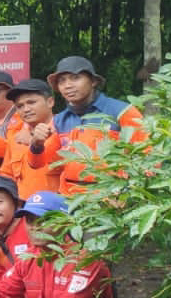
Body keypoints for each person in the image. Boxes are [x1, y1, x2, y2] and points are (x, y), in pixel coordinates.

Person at [45, 55, 145, 194]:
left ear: (93, 81)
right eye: (62, 81)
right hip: (70, 199)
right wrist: (36, 145)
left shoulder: (121, 112)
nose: (68, 85)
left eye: (75, 78)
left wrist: (127, 194)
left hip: (111, 198)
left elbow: (146, 155)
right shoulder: (59, 120)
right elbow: (49, 165)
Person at [5, 78, 62, 196]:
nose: (26, 109)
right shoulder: (15, 138)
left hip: (58, 209)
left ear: (50, 102)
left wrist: (33, 142)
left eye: (31, 102)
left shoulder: (65, 131)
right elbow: (7, 176)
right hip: (24, 209)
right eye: (20, 106)